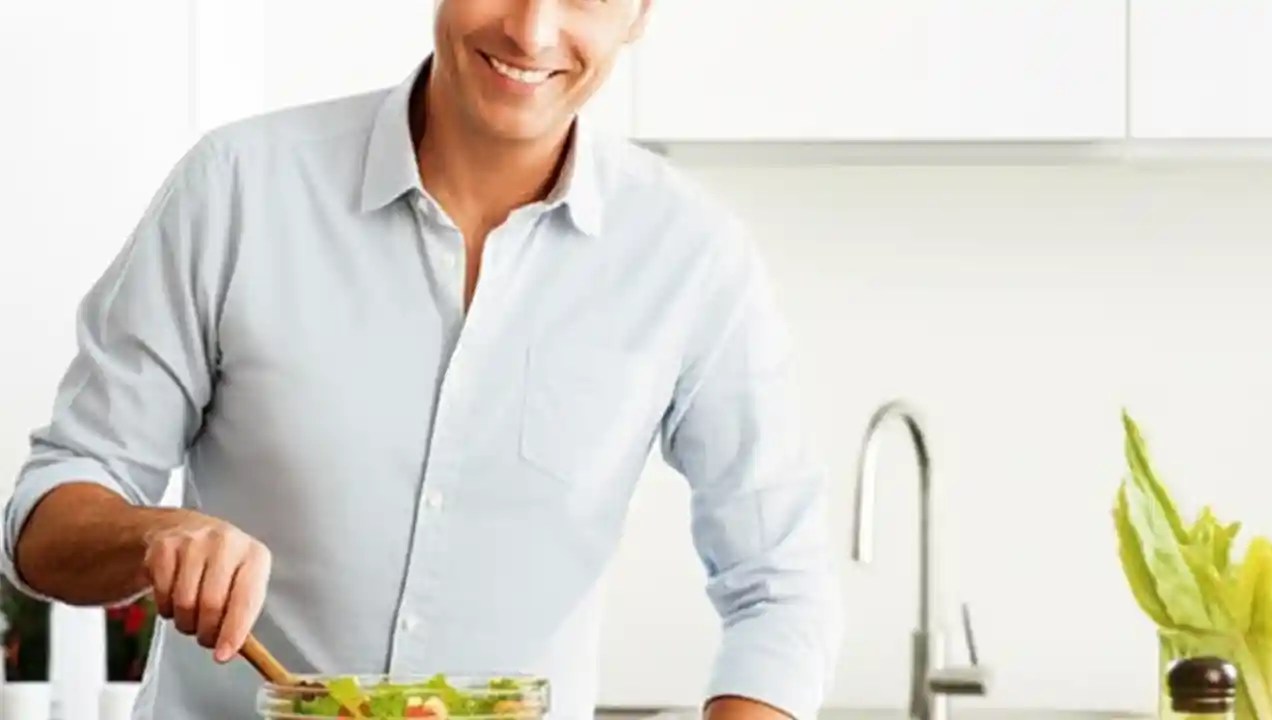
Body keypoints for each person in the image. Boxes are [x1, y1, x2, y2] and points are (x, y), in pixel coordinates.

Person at [0, 1, 843, 718]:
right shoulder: (237, 189)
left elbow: (781, 584)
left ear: (643, 12)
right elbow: (46, 516)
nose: (532, 31)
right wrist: (156, 534)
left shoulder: (691, 258)